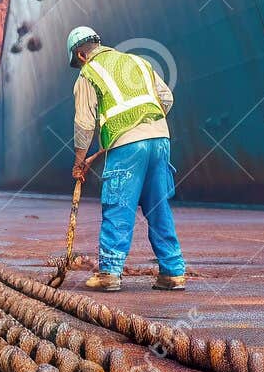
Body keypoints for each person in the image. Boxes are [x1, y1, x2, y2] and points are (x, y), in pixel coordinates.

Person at [67, 26, 187, 292]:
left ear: (81, 56)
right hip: (159, 139)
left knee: (118, 204)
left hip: (127, 148)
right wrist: (143, 125)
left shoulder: (88, 74)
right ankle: (173, 272)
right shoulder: (138, 62)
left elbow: (85, 124)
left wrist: (79, 161)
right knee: (158, 206)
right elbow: (166, 98)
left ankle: (109, 273)